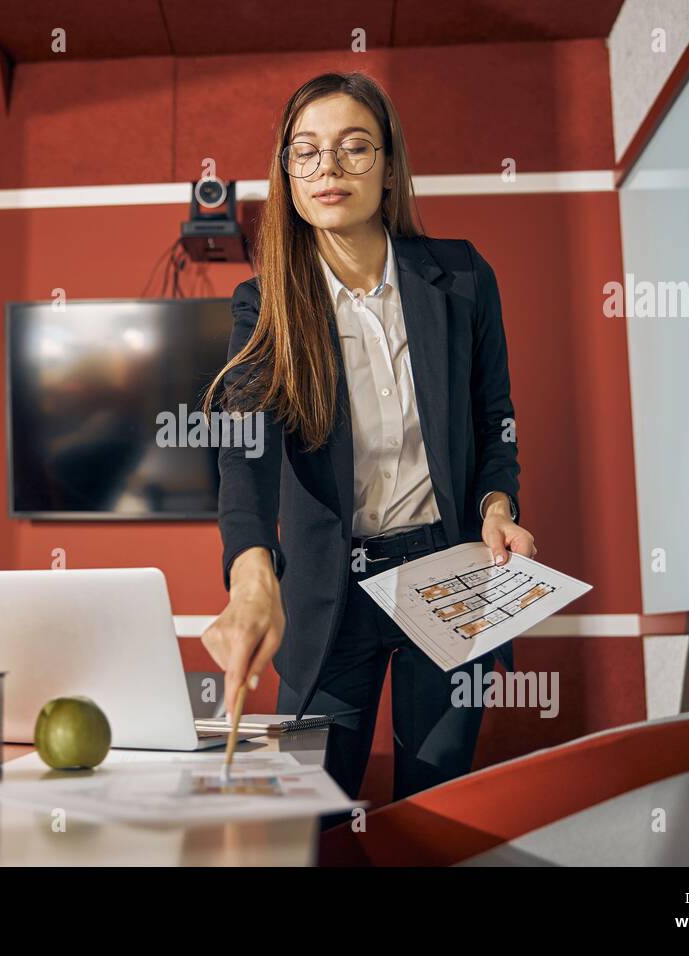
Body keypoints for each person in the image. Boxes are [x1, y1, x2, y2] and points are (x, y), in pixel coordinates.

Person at [201, 71, 536, 805]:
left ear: (388, 168)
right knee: (308, 814)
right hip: (329, 590)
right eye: (307, 152)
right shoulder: (265, 304)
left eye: (355, 149)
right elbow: (246, 457)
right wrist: (251, 579)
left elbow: (494, 422)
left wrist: (497, 507)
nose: (329, 168)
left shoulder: (463, 277)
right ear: (286, 174)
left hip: (445, 569)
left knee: (439, 806)